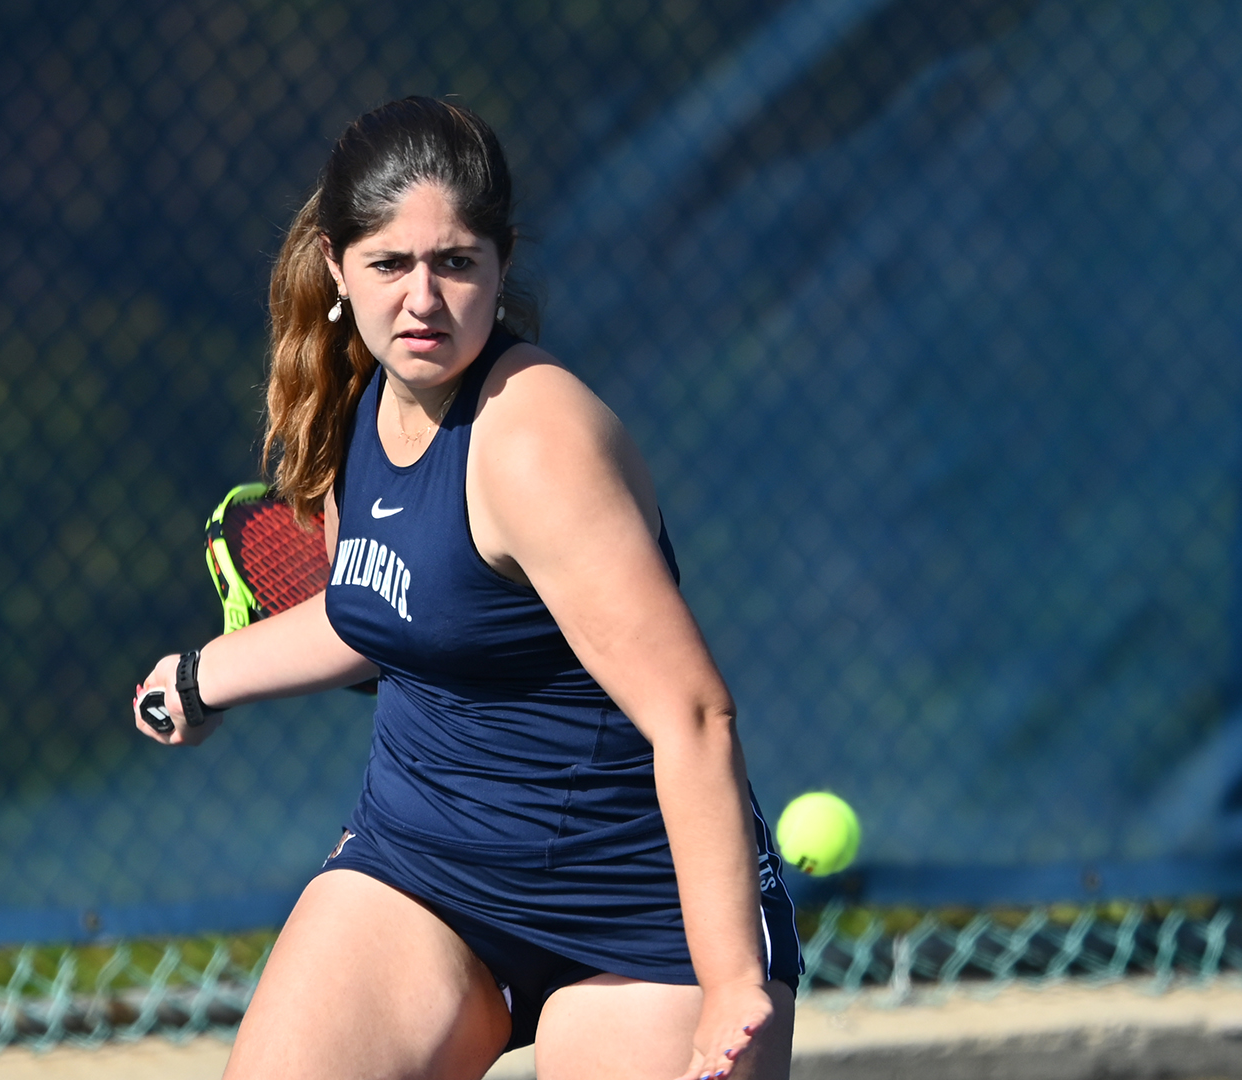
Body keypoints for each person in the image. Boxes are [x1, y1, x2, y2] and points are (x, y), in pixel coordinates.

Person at [132, 96, 799, 1080]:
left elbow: (693, 716)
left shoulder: (534, 442)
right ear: (335, 267)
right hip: (423, 874)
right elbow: (380, 609)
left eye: (455, 263)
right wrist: (204, 674)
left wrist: (732, 976)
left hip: (638, 919)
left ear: (500, 263)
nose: (422, 300)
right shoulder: (359, 405)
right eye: (390, 265)